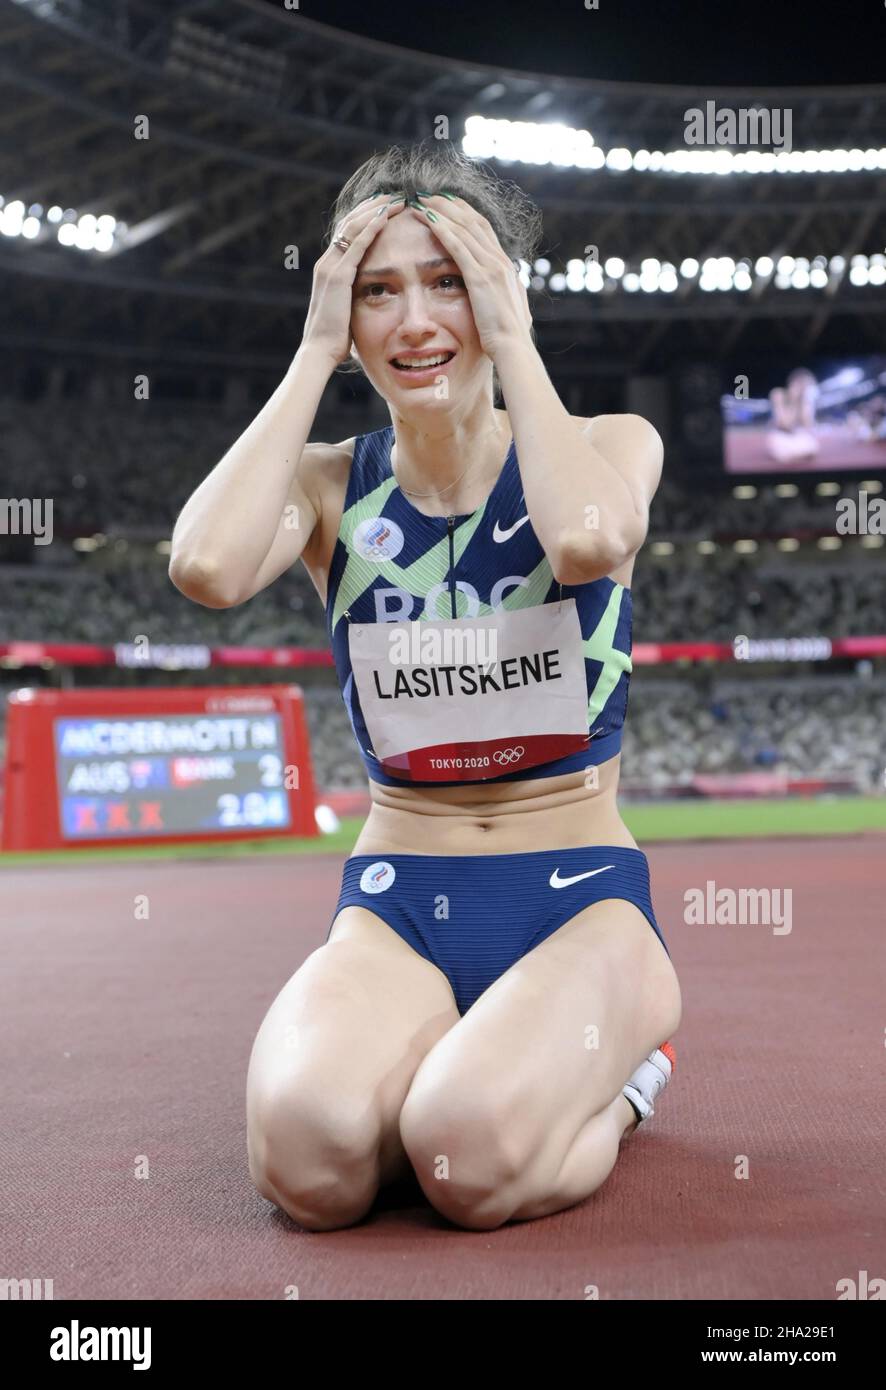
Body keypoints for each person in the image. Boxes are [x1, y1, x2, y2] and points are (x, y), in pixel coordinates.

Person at [169, 141, 682, 1234]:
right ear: (345, 316)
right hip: (399, 901)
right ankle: (450, 1078)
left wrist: (514, 335)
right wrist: (310, 355)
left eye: (448, 279)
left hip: (576, 897)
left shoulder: (607, 443)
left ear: (501, 287)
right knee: (309, 1167)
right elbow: (206, 568)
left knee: (463, 1154)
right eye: (376, 291)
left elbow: (586, 540)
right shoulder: (325, 485)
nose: (413, 321)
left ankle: (625, 1079)